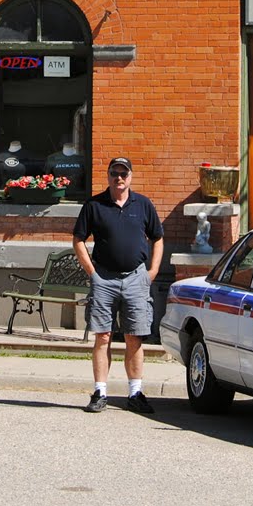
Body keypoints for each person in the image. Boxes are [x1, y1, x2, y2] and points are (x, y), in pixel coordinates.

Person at [72, 155, 164, 414]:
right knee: (103, 336)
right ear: (108, 176)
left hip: (136, 278)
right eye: (114, 173)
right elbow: (78, 239)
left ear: (131, 176)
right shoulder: (94, 205)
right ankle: (100, 392)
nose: (119, 178)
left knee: (135, 337)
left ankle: (135, 393)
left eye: (124, 173)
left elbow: (158, 238)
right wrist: (92, 272)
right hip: (104, 278)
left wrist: (153, 271)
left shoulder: (143, 205)